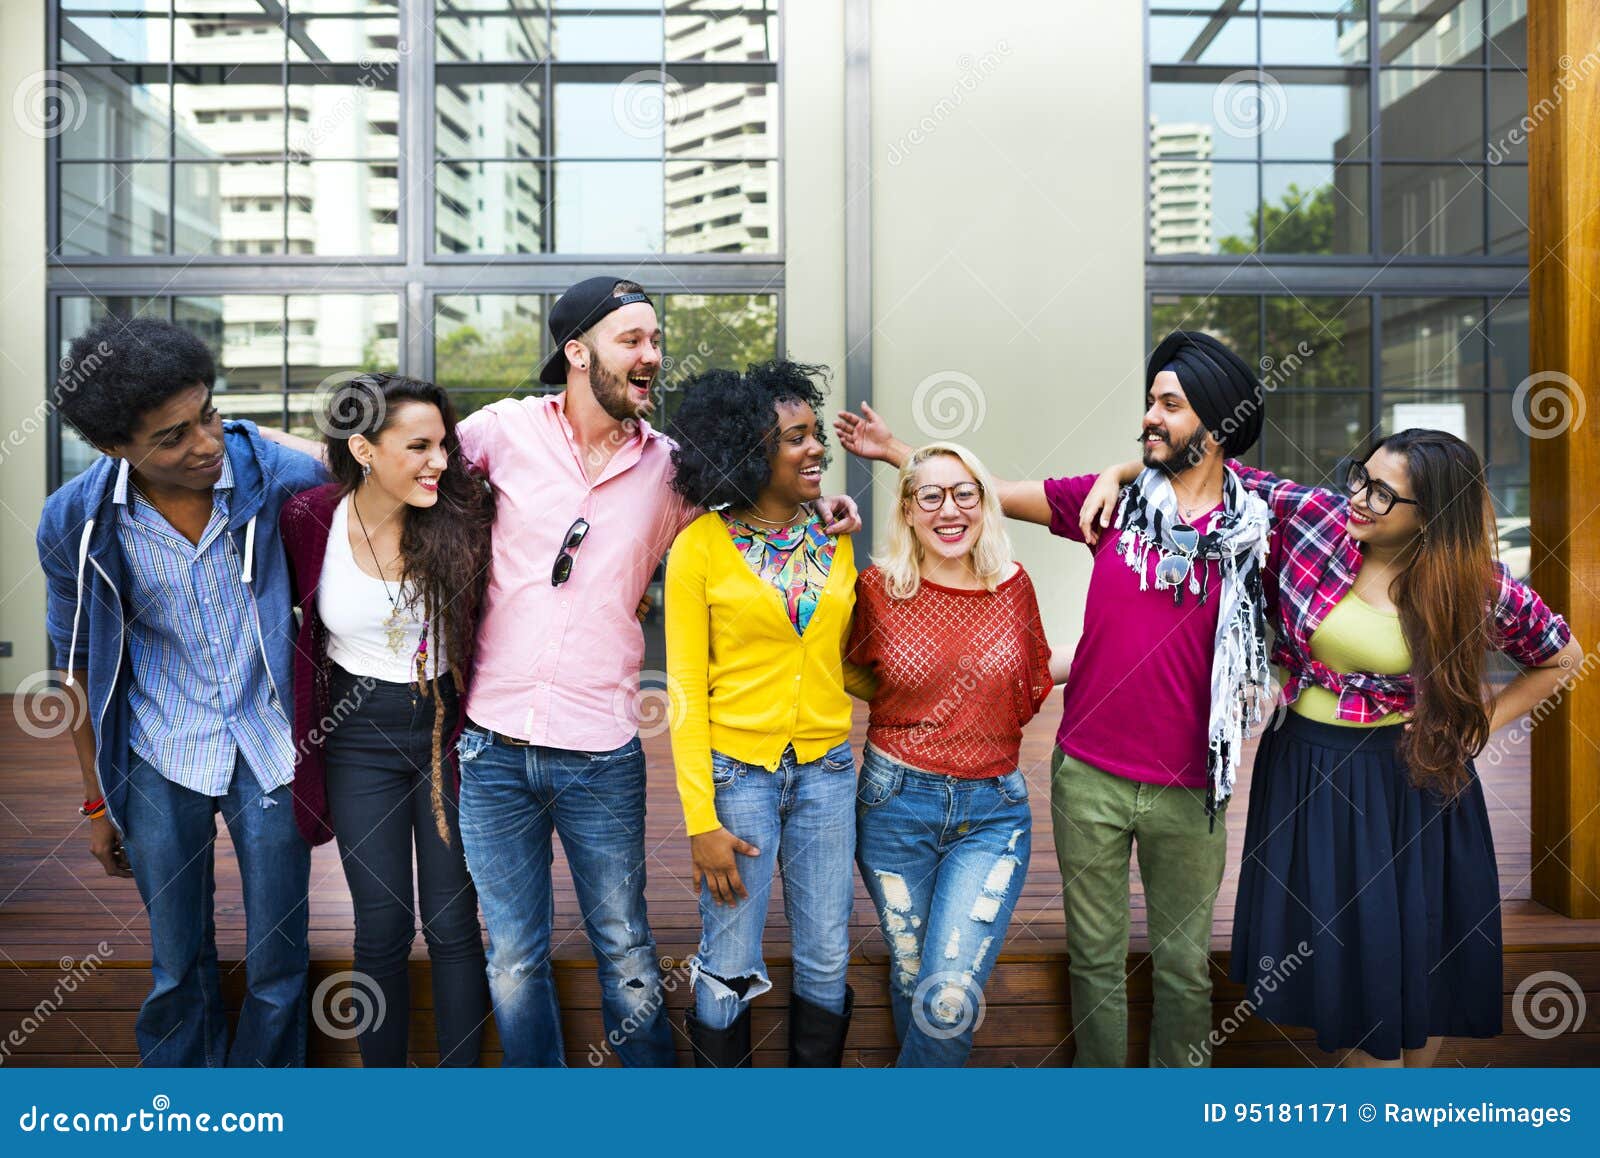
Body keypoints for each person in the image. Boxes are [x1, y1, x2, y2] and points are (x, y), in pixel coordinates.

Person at [259, 276, 859, 1067]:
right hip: (490, 743)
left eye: (655, 341)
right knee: (511, 956)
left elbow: (752, 509)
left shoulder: (672, 469)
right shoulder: (498, 434)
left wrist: (826, 509)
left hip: (601, 749)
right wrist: (252, 443)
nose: (652, 356)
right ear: (578, 353)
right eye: (632, 341)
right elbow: (402, 465)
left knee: (626, 948)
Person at [837, 329, 1272, 1067]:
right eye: (1149, 403)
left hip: (1190, 785)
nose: (1150, 417)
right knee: (1094, 963)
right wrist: (895, 453)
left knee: (1184, 970)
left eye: (1168, 404)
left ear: (1218, 419)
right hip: (1088, 776)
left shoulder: (1260, 524)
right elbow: (976, 493)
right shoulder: (1111, 505)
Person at [1085, 428, 1579, 1066]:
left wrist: (1475, 726)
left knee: (1416, 963)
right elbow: (1211, 472)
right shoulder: (1314, 517)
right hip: (1308, 772)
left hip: (1415, 787)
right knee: (1347, 969)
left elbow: (1561, 657)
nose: (1359, 497)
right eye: (1359, 476)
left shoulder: (1472, 582)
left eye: (1383, 494)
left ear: (1432, 514)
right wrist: (1118, 472)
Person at [37, 317, 328, 1066]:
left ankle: (267, 1112)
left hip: (269, 743)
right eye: (171, 437)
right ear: (114, 450)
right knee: (176, 964)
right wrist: (97, 797)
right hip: (158, 747)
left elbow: (374, 497)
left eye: (207, 414)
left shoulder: (278, 479)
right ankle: (182, 1111)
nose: (204, 443)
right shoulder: (77, 519)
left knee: (278, 963)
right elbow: (74, 666)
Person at [280, 373, 495, 1067]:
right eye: (419, 445)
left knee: (455, 922)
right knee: (381, 927)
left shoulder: (463, 515)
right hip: (354, 737)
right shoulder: (310, 518)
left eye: (445, 444)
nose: (439, 460)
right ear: (365, 449)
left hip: (447, 734)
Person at [665, 360, 871, 1067]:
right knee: (728, 959)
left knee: (824, 952)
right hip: (737, 780)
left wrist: (930, 688)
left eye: (816, 434)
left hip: (826, 774)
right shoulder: (699, 548)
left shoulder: (833, 537)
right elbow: (685, 692)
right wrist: (701, 820)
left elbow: (836, 661)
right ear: (750, 451)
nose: (815, 449)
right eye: (795, 438)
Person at [847, 442, 1069, 1066]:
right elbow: (842, 670)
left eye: (965, 493)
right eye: (932, 495)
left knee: (947, 995)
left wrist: (1108, 652)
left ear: (985, 503)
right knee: (912, 973)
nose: (951, 509)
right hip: (894, 806)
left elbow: (1028, 681)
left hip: (992, 814)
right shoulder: (877, 590)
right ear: (909, 510)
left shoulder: (1013, 586)